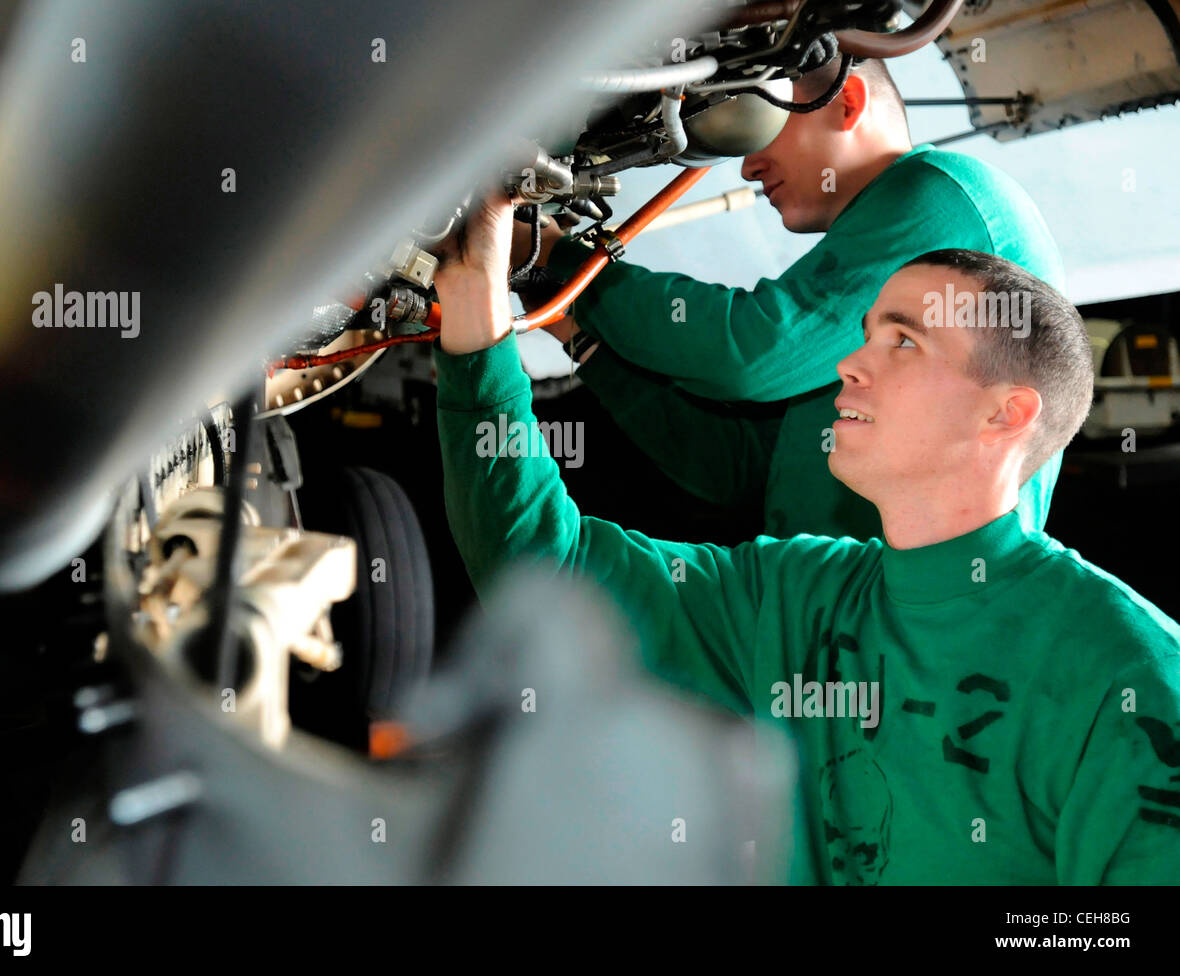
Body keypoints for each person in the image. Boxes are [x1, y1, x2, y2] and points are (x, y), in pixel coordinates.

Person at [431, 192, 1180, 883]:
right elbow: (545, 568)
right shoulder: (795, 595)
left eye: (905, 343)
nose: (849, 364)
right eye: (866, 336)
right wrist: (475, 312)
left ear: (1005, 415)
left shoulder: (1129, 673)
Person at [515, 58, 1065, 540]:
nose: (748, 166)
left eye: (763, 123)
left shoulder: (943, 191)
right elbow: (734, 465)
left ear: (846, 102)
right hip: (830, 621)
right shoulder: (858, 325)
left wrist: (561, 259)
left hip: (908, 631)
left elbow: (750, 354)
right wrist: (575, 326)